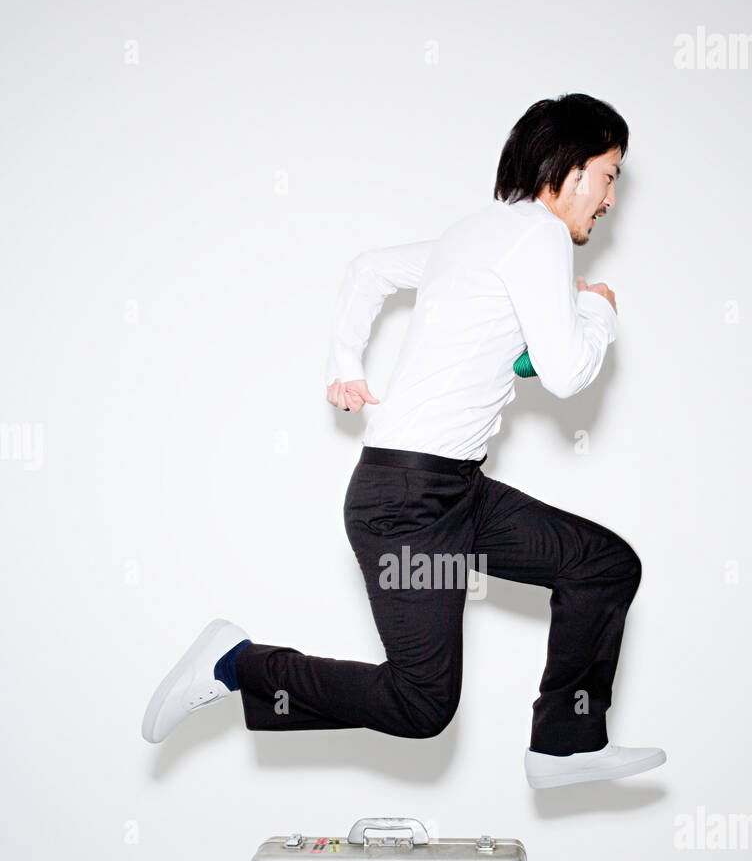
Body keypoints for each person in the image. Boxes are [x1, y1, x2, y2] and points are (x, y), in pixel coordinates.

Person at [141, 92, 666, 788]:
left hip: (450, 492)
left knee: (600, 565)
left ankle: (565, 746)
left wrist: (345, 369)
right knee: (421, 705)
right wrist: (598, 313)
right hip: (408, 505)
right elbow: (569, 373)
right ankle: (236, 663)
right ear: (569, 170)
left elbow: (370, 270)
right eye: (608, 175)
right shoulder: (537, 236)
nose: (609, 200)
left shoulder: (476, 236)